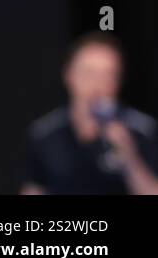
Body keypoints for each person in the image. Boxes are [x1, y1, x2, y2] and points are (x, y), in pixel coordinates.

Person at [21, 33, 158, 195]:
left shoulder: (142, 129)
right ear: (69, 75)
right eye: (89, 73)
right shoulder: (45, 133)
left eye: (108, 74)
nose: (97, 84)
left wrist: (129, 156)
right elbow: (33, 189)